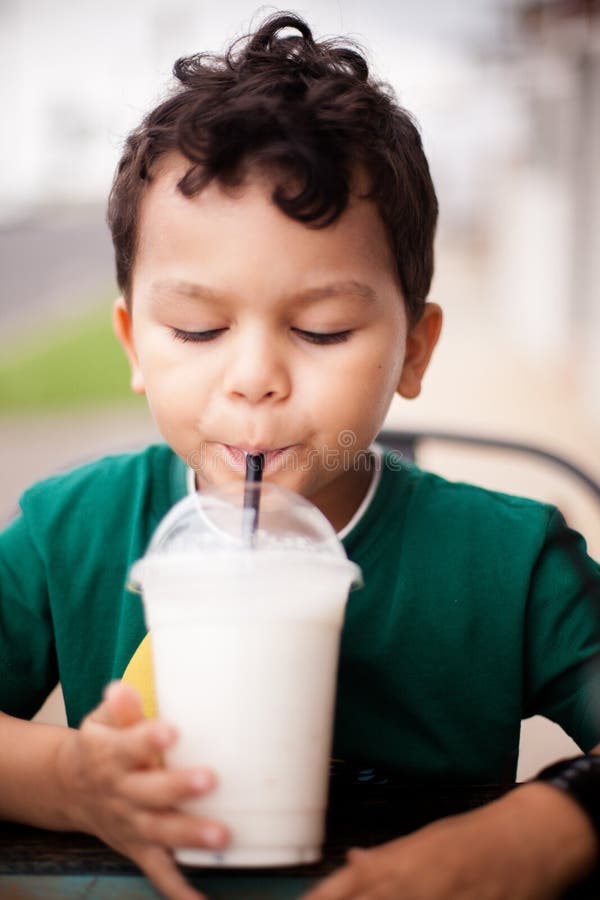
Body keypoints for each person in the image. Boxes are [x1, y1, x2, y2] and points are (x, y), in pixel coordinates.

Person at [1, 12, 600, 900]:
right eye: (196, 328)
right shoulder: (72, 534)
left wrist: (539, 830)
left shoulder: (508, 565)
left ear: (414, 351)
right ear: (133, 344)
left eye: (322, 330)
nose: (254, 379)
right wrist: (67, 781)